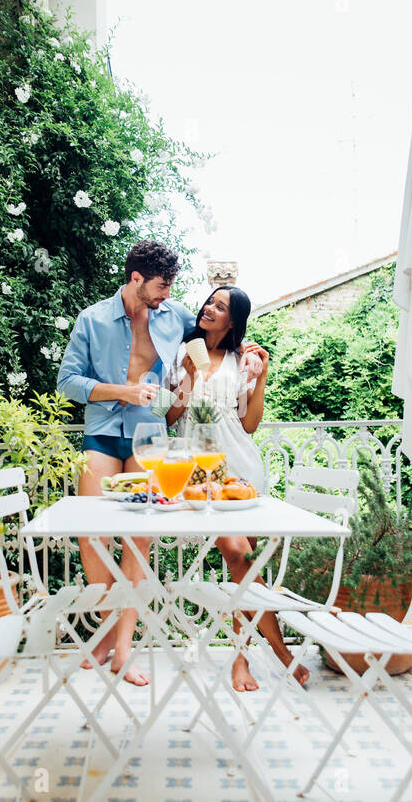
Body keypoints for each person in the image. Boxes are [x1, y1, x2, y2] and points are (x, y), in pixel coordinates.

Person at [56, 241, 261, 686]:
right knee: (92, 534)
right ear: (136, 280)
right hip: (104, 432)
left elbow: (215, 335)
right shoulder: (92, 319)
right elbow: (67, 381)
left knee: (139, 537)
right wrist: (122, 391)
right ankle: (106, 628)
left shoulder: (177, 317)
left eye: (170, 287)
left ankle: (125, 646)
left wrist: (248, 351)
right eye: (161, 286)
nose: (167, 295)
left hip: (149, 437)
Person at [166, 286, 309, 692]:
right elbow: (172, 415)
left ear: (233, 320)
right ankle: (280, 651)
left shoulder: (238, 359)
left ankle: (242, 658)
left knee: (242, 564)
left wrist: (261, 377)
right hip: (196, 470)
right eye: (210, 302)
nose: (209, 309)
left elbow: (249, 423)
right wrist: (189, 380)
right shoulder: (180, 354)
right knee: (239, 554)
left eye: (221, 307)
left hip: (240, 468)